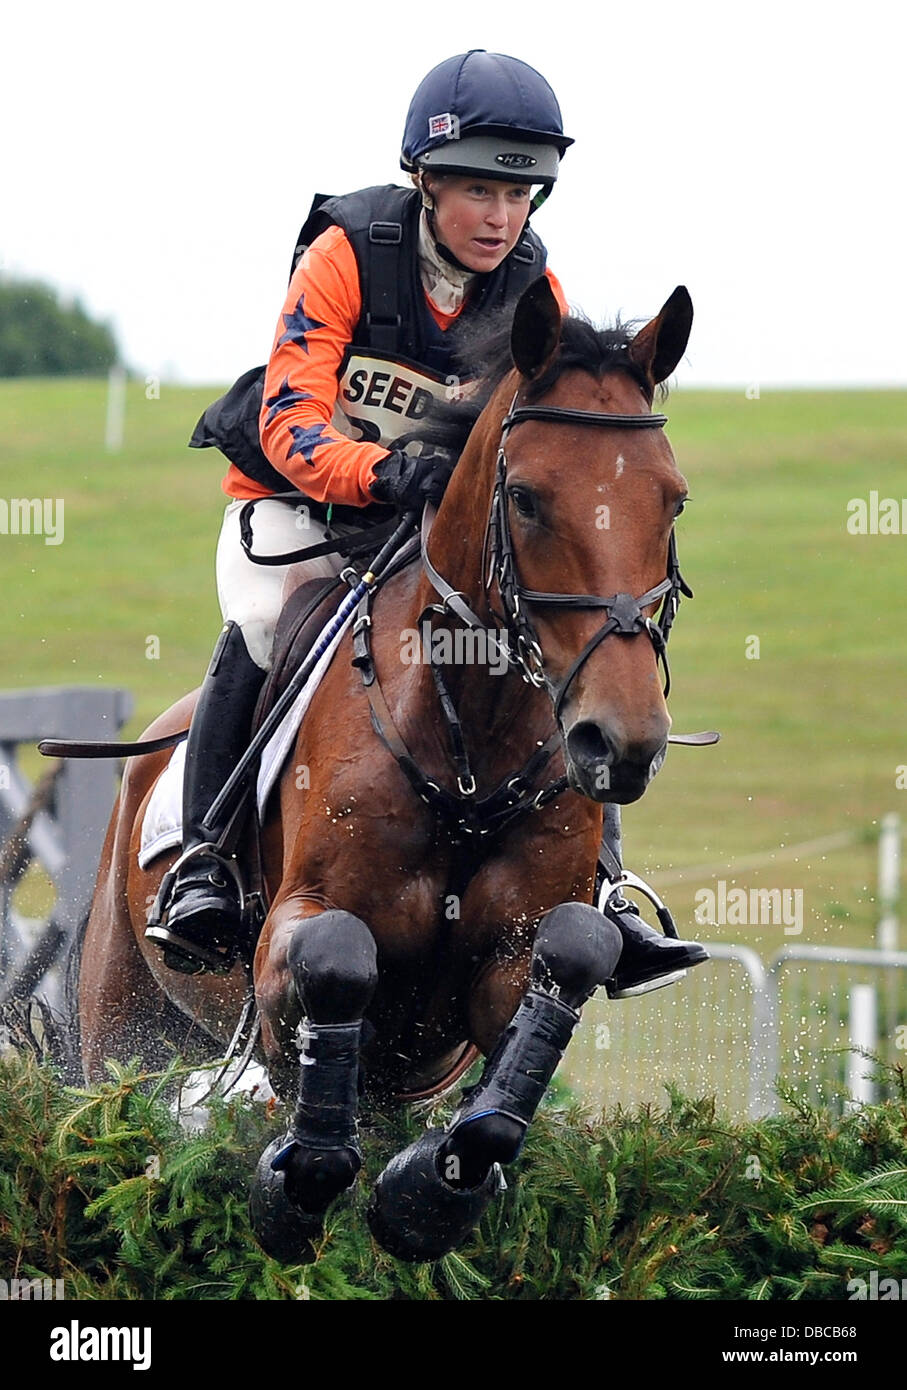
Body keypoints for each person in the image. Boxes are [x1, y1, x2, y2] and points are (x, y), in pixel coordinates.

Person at [145, 49, 708, 995]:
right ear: (427, 180)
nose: (502, 219)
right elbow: (288, 415)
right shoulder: (346, 254)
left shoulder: (534, 284)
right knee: (264, 621)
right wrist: (379, 470)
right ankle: (204, 860)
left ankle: (604, 882)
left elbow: (543, 437)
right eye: (481, 192)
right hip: (302, 506)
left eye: (522, 196)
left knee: (544, 645)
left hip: (430, 519)